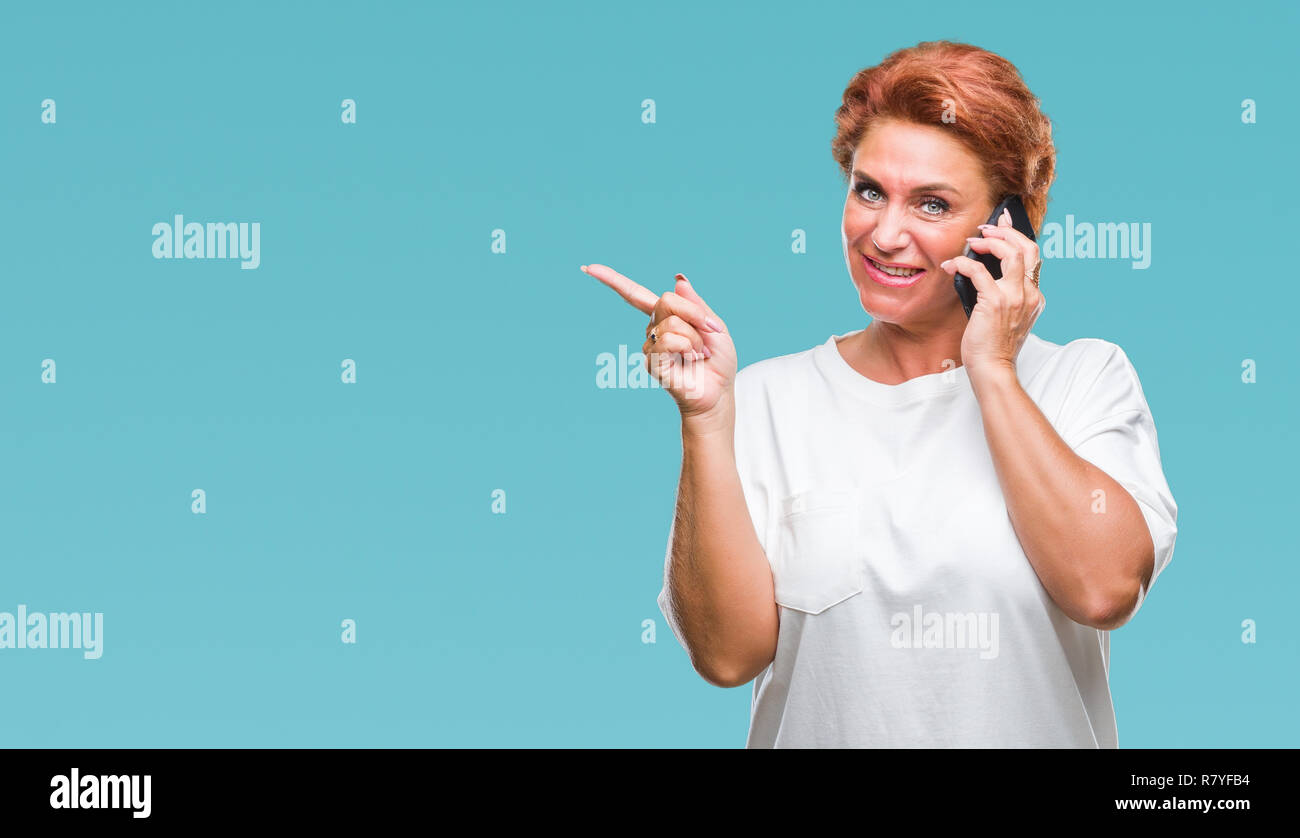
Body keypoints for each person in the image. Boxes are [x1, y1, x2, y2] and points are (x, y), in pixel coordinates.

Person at [583, 40, 1177, 748]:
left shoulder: (1084, 380)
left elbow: (1104, 588)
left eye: (931, 204)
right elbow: (726, 655)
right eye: (869, 191)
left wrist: (991, 370)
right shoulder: (769, 398)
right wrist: (707, 419)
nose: (885, 234)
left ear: (1006, 230)